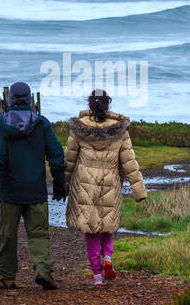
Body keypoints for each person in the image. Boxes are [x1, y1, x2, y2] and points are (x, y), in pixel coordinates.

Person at [0, 81, 66, 290]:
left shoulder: (2, 125)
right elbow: (56, 154)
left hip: (10, 191)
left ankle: (7, 277)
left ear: (10, 99)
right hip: (36, 191)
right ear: (29, 99)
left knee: (8, 234)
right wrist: (59, 182)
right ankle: (43, 271)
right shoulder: (42, 124)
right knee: (39, 233)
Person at [63, 89, 147, 286]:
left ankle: (97, 276)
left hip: (85, 183)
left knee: (91, 231)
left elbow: (69, 159)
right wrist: (139, 192)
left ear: (89, 105)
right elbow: (129, 162)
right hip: (110, 182)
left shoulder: (79, 128)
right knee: (107, 227)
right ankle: (107, 257)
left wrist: (63, 185)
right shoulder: (120, 130)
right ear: (108, 105)